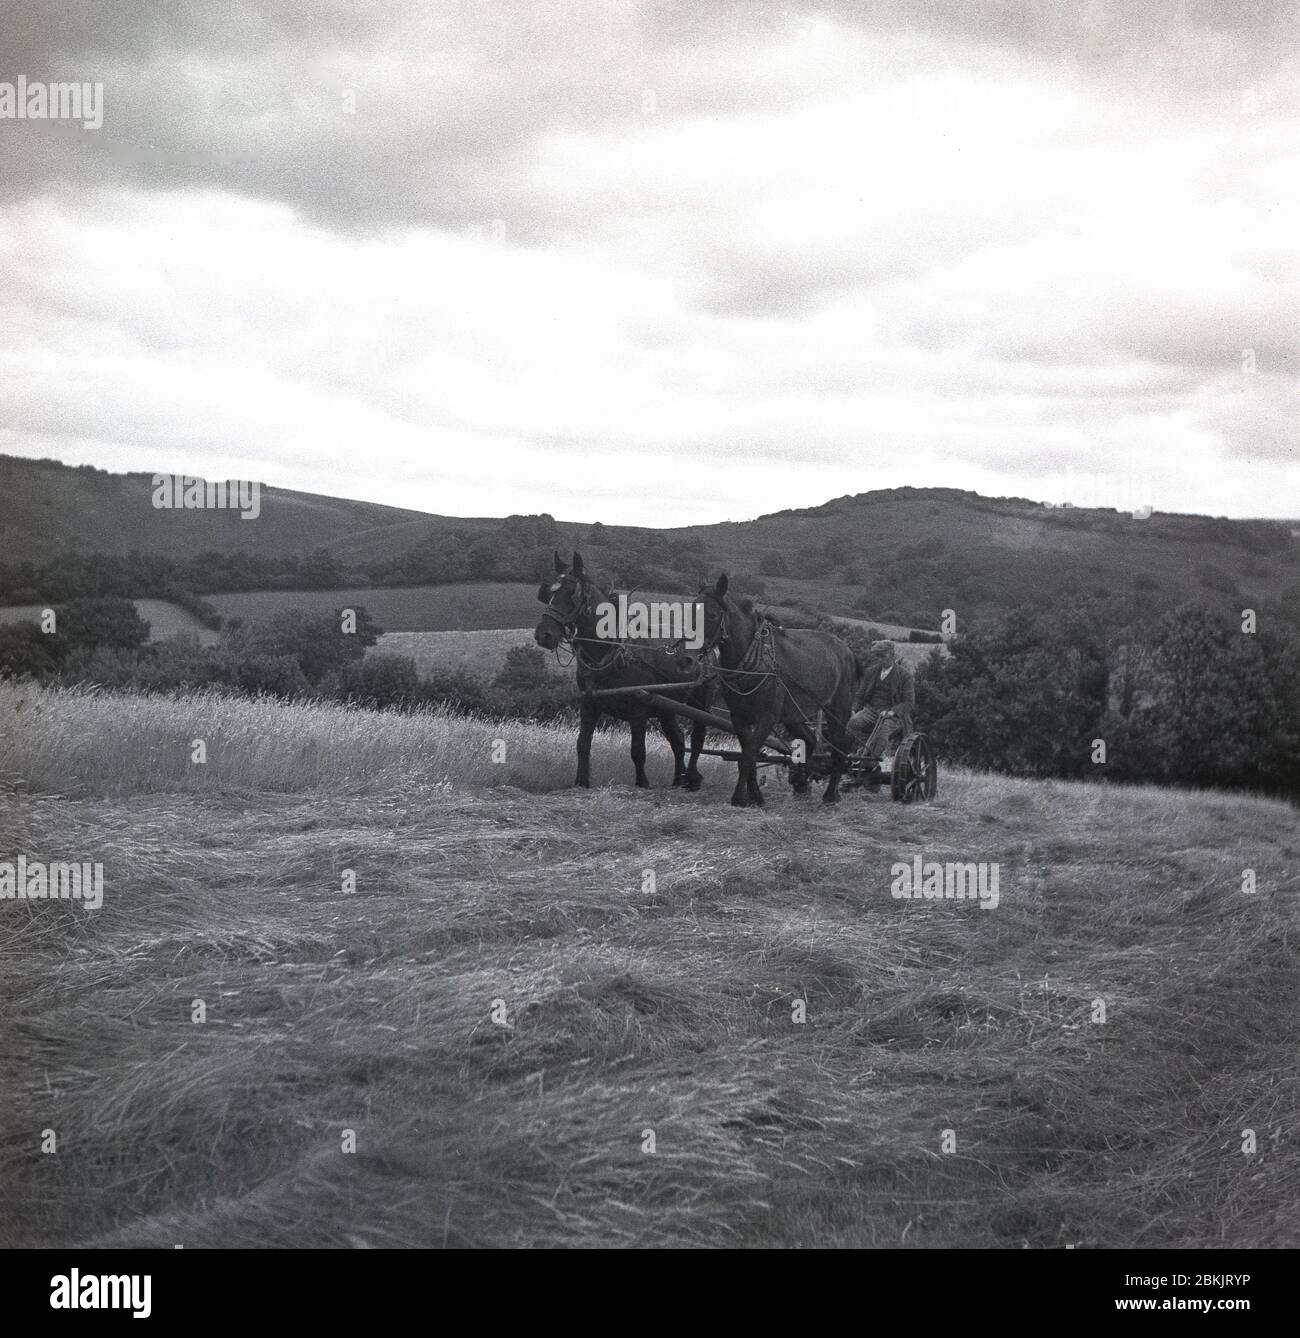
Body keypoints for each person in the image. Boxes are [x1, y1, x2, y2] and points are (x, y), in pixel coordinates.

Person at [847, 640, 914, 761]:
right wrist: (853, 708)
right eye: (877, 656)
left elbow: (909, 703)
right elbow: (860, 694)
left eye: (883, 656)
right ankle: (857, 754)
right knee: (853, 723)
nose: (880, 659)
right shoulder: (871, 672)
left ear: (892, 655)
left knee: (882, 731)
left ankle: (871, 760)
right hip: (871, 711)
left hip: (893, 716)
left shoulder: (905, 676)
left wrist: (892, 712)